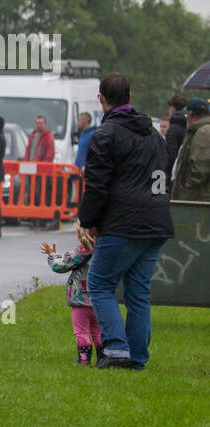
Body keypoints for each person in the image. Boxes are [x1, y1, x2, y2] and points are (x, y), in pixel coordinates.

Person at [79, 72, 174, 370]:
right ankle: (137, 358)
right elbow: (163, 177)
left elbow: (96, 184)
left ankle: (118, 349)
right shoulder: (155, 135)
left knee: (99, 283)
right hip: (157, 220)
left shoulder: (105, 135)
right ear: (130, 98)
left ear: (101, 99)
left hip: (124, 222)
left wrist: (88, 220)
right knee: (138, 293)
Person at [41, 226, 103, 365]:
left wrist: (52, 255)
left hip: (80, 301)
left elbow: (60, 266)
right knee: (98, 331)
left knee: (81, 332)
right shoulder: (104, 250)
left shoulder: (82, 251)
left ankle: (84, 359)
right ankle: (102, 358)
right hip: (99, 300)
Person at [171, 97, 210, 202]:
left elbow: (200, 167)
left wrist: (186, 188)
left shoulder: (203, 132)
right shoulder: (202, 130)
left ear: (191, 114)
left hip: (198, 197)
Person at [165, 94, 187, 176]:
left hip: (175, 173)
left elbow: (171, 155)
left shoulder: (173, 130)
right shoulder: (190, 125)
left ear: (172, 108)